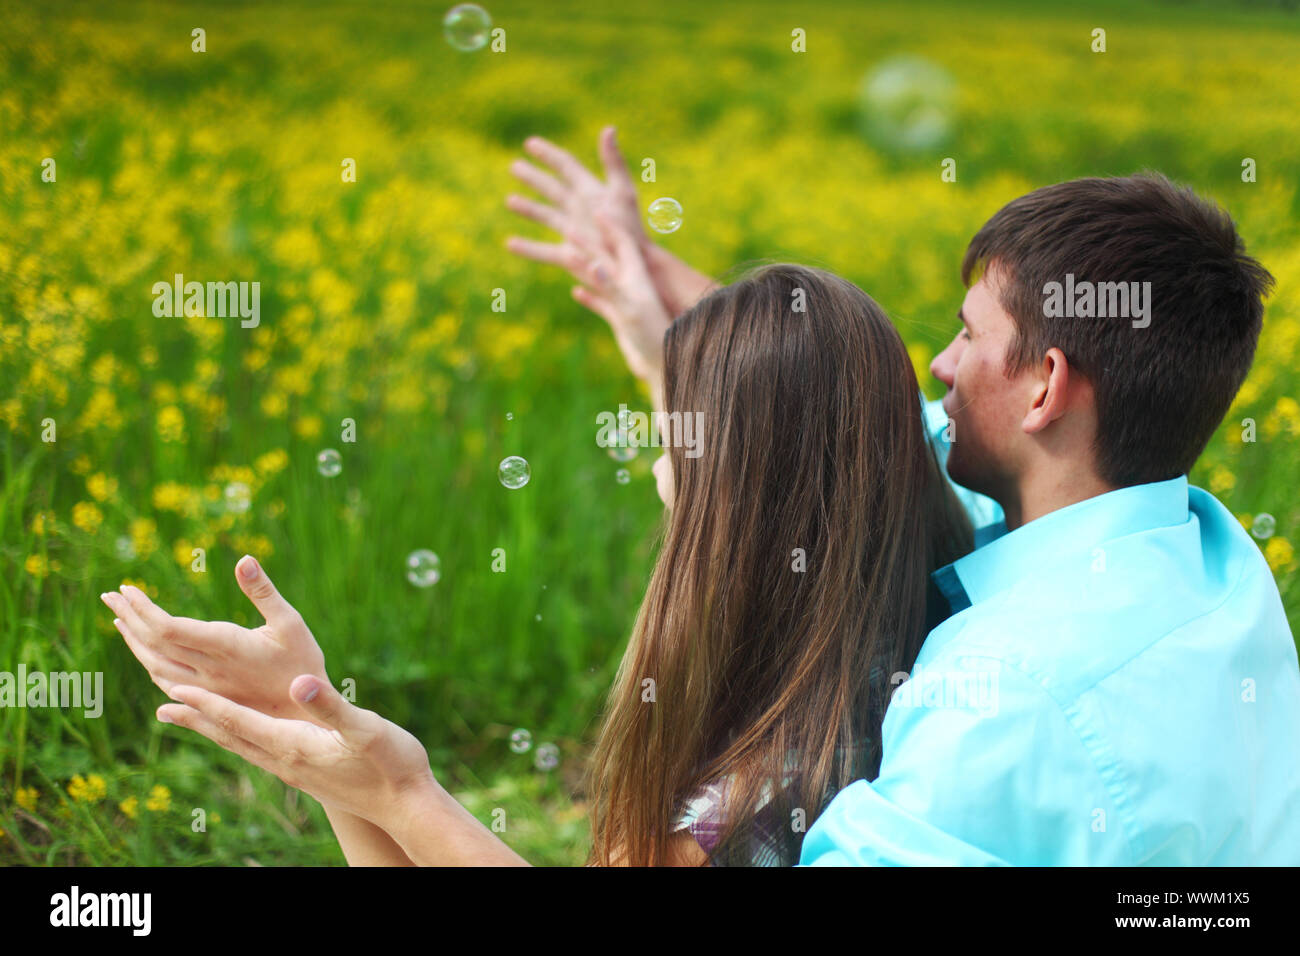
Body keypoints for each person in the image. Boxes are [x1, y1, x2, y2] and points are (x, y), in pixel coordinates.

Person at [505, 130, 1300, 864]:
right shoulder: (1188, 544)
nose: (943, 364)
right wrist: (668, 318)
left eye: (969, 333)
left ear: (1045, 388)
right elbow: (820, 431)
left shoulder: (1002, 702)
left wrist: (405, 791)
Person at [103, 256, 974, 865]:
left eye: (674, 433)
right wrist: (330, 753)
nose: (655, 462)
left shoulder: (756, 794)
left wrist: (405, 793)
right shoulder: (868, 659)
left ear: (738, 486)